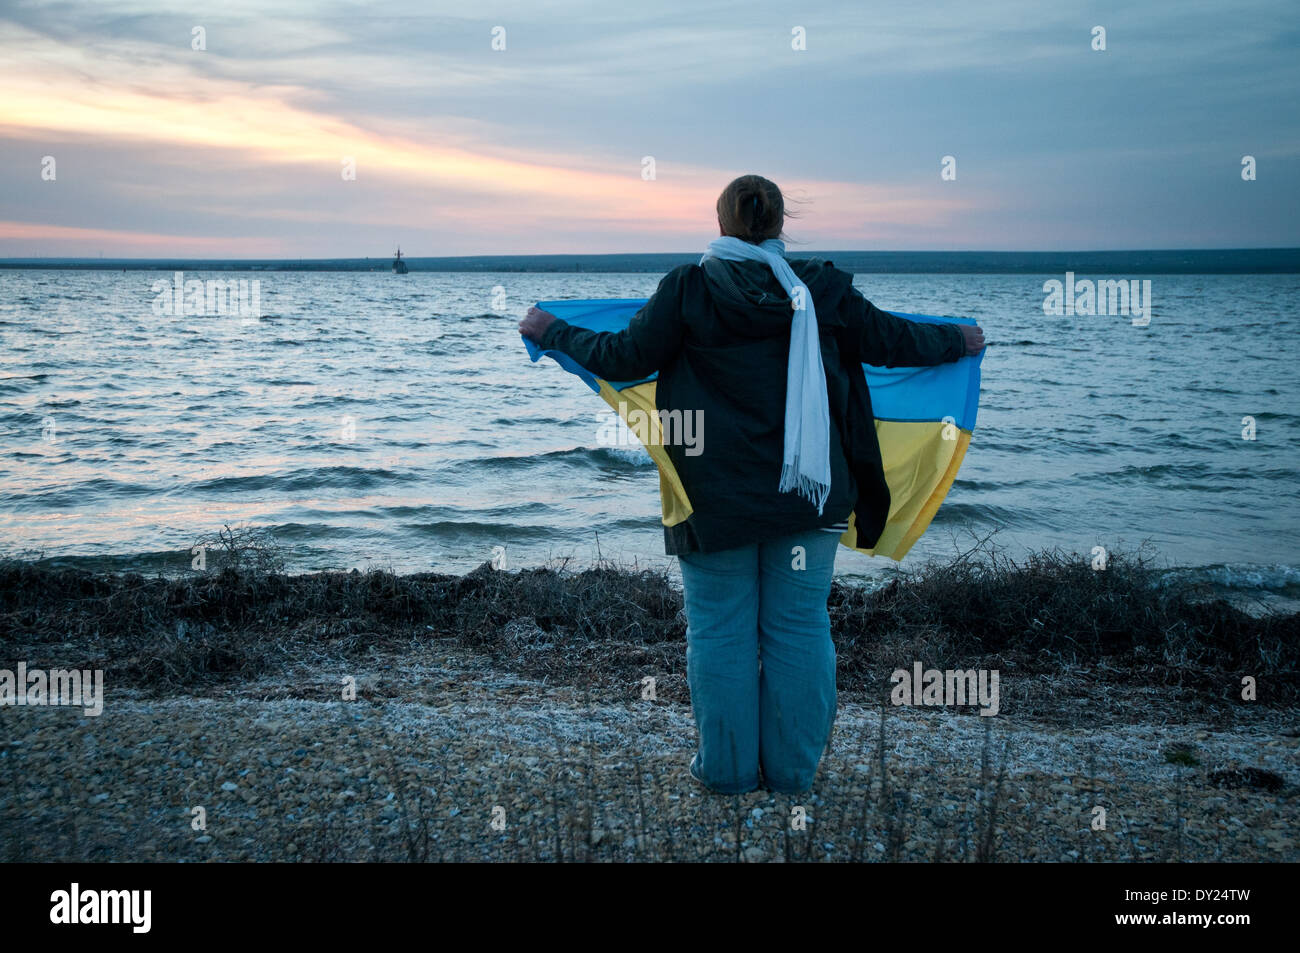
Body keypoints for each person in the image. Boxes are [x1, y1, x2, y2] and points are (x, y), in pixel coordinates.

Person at [519, 174, 985, 795]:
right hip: (812, 492)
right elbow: (893, 341)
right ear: (781, 223)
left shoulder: (689, 289)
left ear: (720, 224)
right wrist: (959, 340)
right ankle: (793, 775)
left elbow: (622, 356)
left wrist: (552, 331)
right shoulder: (820, 290)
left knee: (719, 630)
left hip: (714, 497)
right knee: (798, 626)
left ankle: (729, 773)